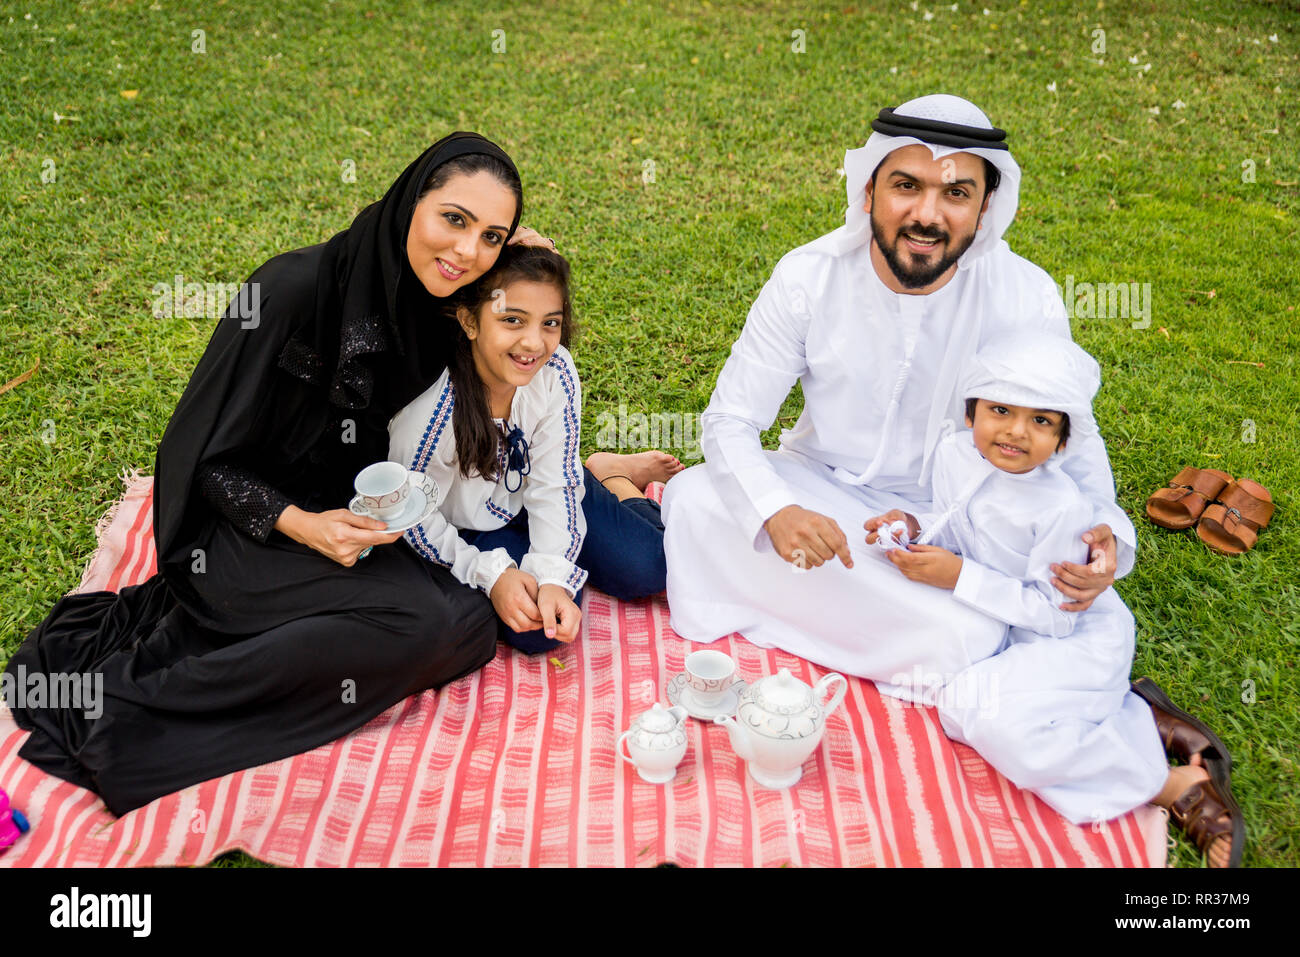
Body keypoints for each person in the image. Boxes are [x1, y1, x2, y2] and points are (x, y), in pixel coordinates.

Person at [662, 95, 1241, 865]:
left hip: (957, 521)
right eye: (906, 186)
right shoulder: (807, 277)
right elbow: (730, 422)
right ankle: (986, 652)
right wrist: (776, 509)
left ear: (985, 205)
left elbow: (1076, 433)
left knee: (963, 633)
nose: (927, 213)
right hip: (820, 489)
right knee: (700, 500)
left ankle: (1070, 692)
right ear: (869, 190)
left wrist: (1111, 534)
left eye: (955, 193)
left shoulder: (1021, 292)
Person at [7, 133, 538, 816]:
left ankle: (271, 640)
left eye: (492, 236)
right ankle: (129, 715)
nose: (467, 251)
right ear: (412, 201)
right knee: (424, 624)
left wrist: (521, 274)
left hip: (344, 521)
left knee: (464, 623)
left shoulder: (440, 312)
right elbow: (200, 461)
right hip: (236, 531)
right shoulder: (289, 290)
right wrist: (304, 526)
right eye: (455, 219)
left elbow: (502, 389)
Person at [860, 333, 1242, 866]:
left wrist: (960, 577)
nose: (1015, 431)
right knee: (951, 696)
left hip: (1074, 635)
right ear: (970, 413)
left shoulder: (1061, 508)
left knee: (992, 721)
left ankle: (1172, 783)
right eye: (999, 410)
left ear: (1063, 439)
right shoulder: (954, 454)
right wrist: (911, 525)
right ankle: (1132, 713)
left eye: (1041, 420)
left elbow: (1058, 616)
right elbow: (956, 526)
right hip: (1006, 623)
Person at [388, 244, 677, 654]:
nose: (534, 343)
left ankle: (613, 475)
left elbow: (554, 486)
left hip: (539, 485)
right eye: (512, 320)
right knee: (538, 628)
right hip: (473, 526)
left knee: (653, 567)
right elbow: (414, 517)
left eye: (550, 323)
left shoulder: (554, 370)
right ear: (470, 321)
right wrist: (490, 573)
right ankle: (602, 482)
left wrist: (554, 574)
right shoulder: (431, 414)